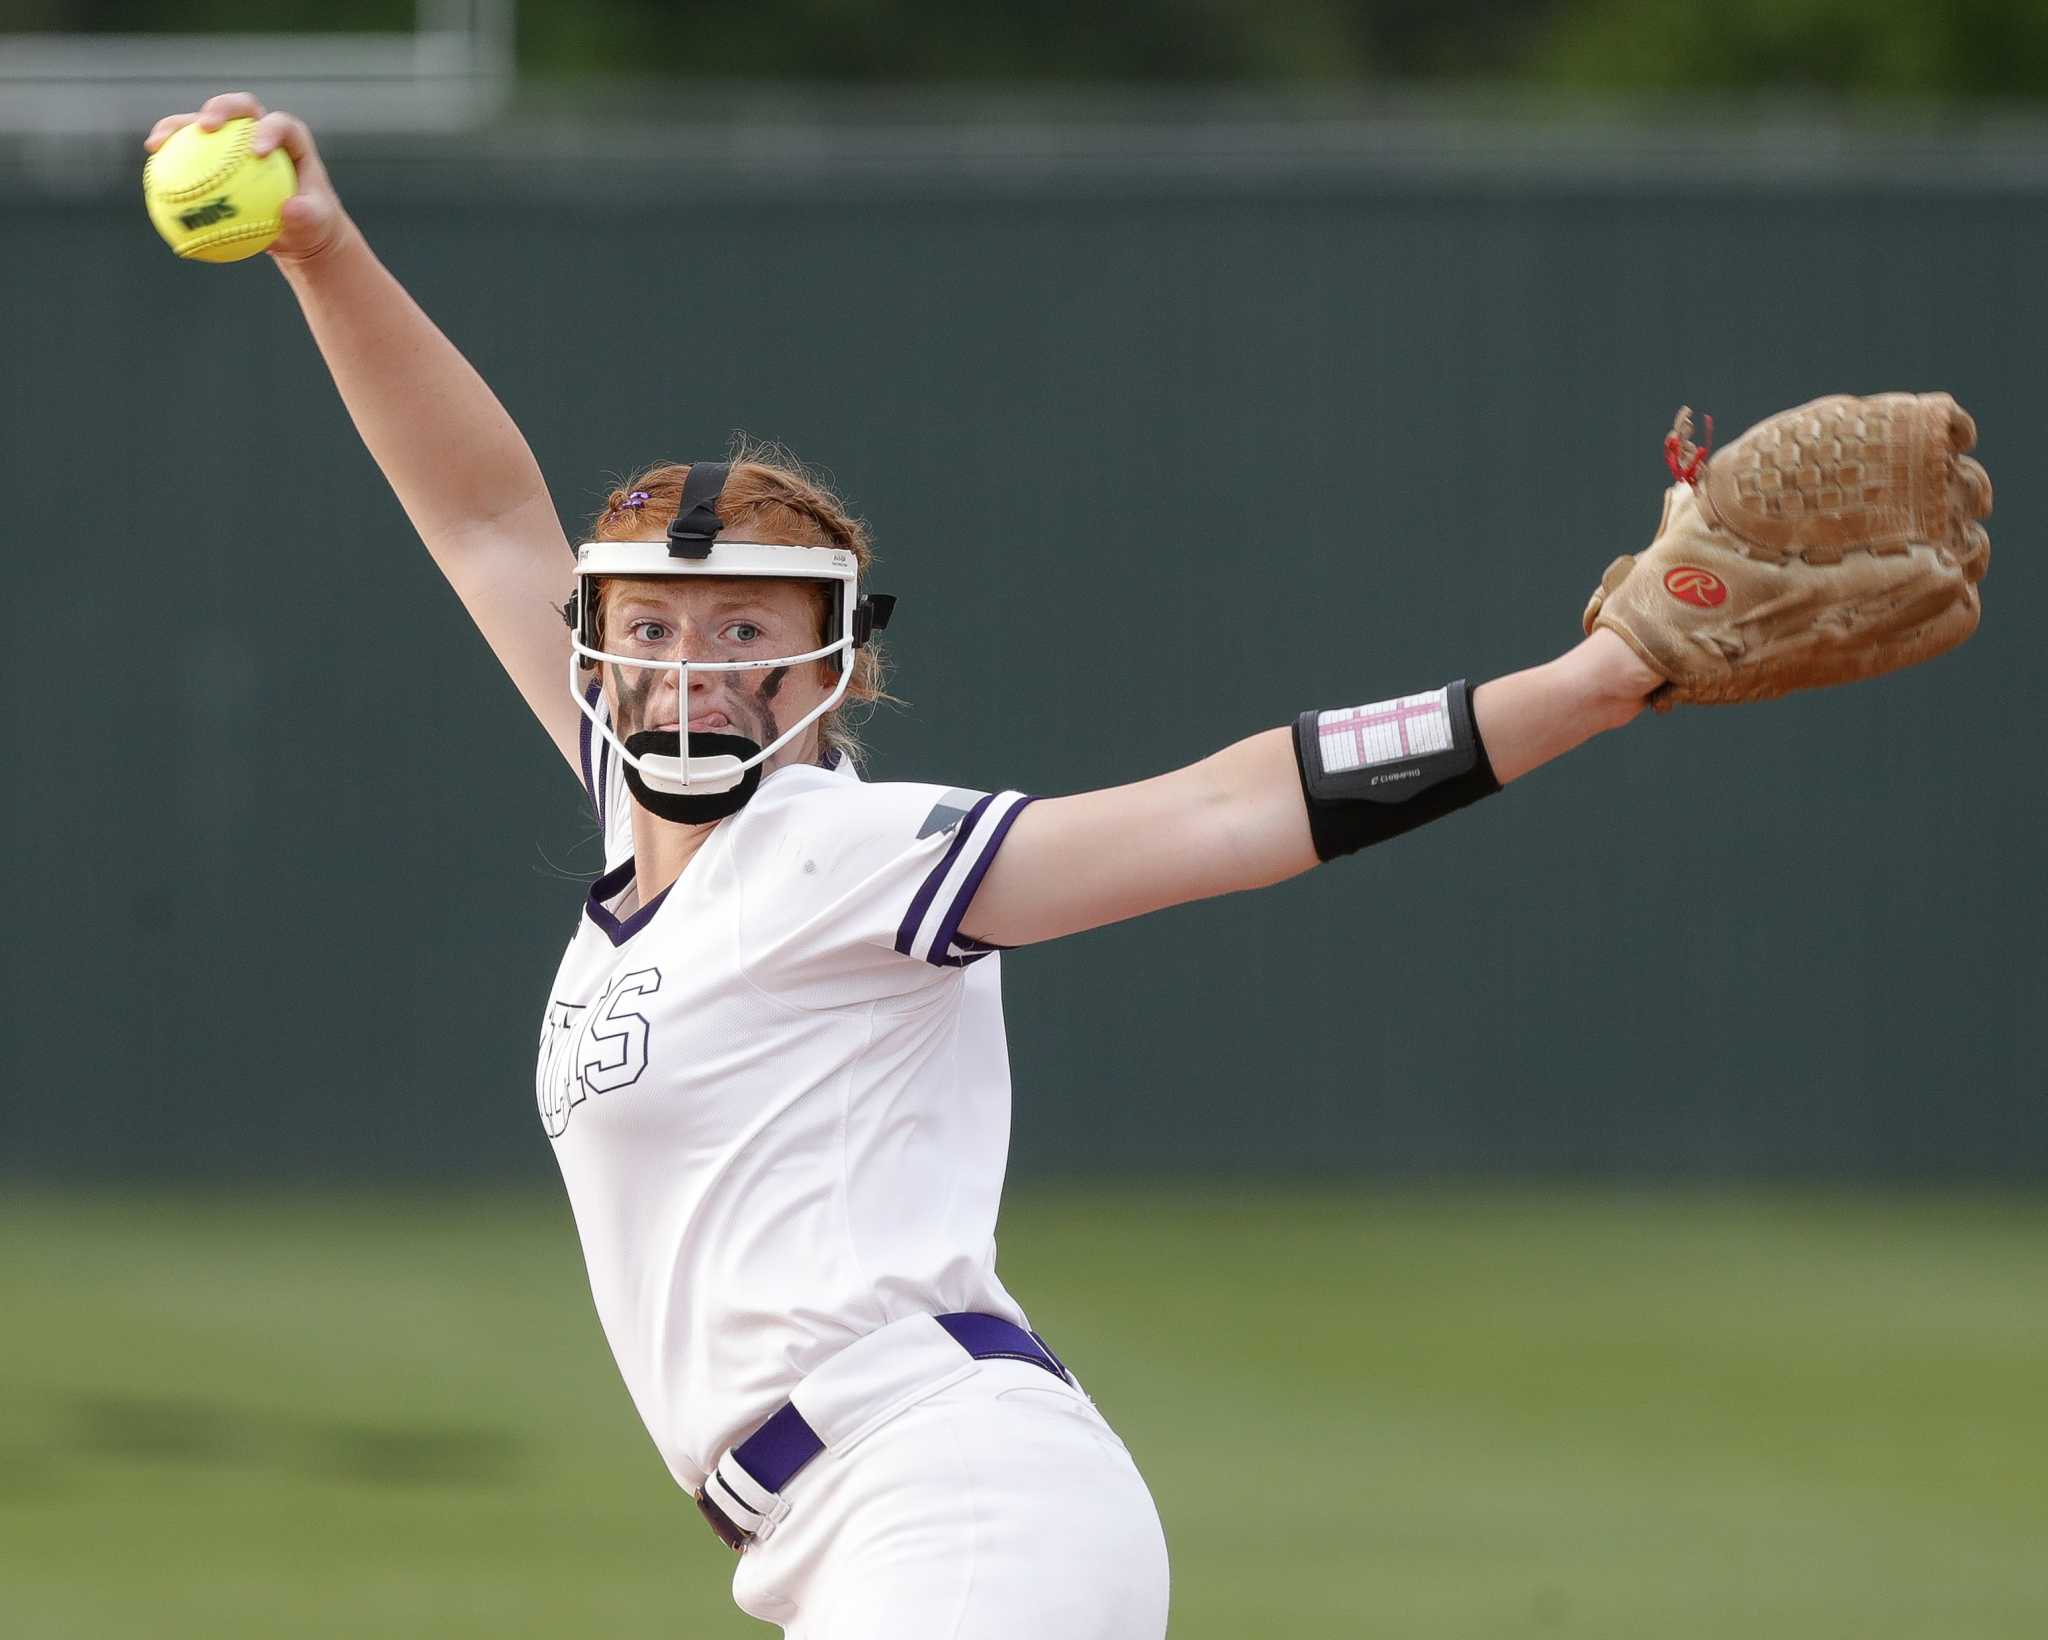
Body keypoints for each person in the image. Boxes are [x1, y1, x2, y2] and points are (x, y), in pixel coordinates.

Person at [146, 93, 1987, 1640]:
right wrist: (321, 247)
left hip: (956, 1501)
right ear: (600, 644)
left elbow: (1227, 810)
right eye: (655, 627)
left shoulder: (849, 852)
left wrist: (1589, 684)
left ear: (831, 663)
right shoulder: (648, 820)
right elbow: (480, 511)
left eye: (748, 635)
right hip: (835, 1536)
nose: (694, 667)